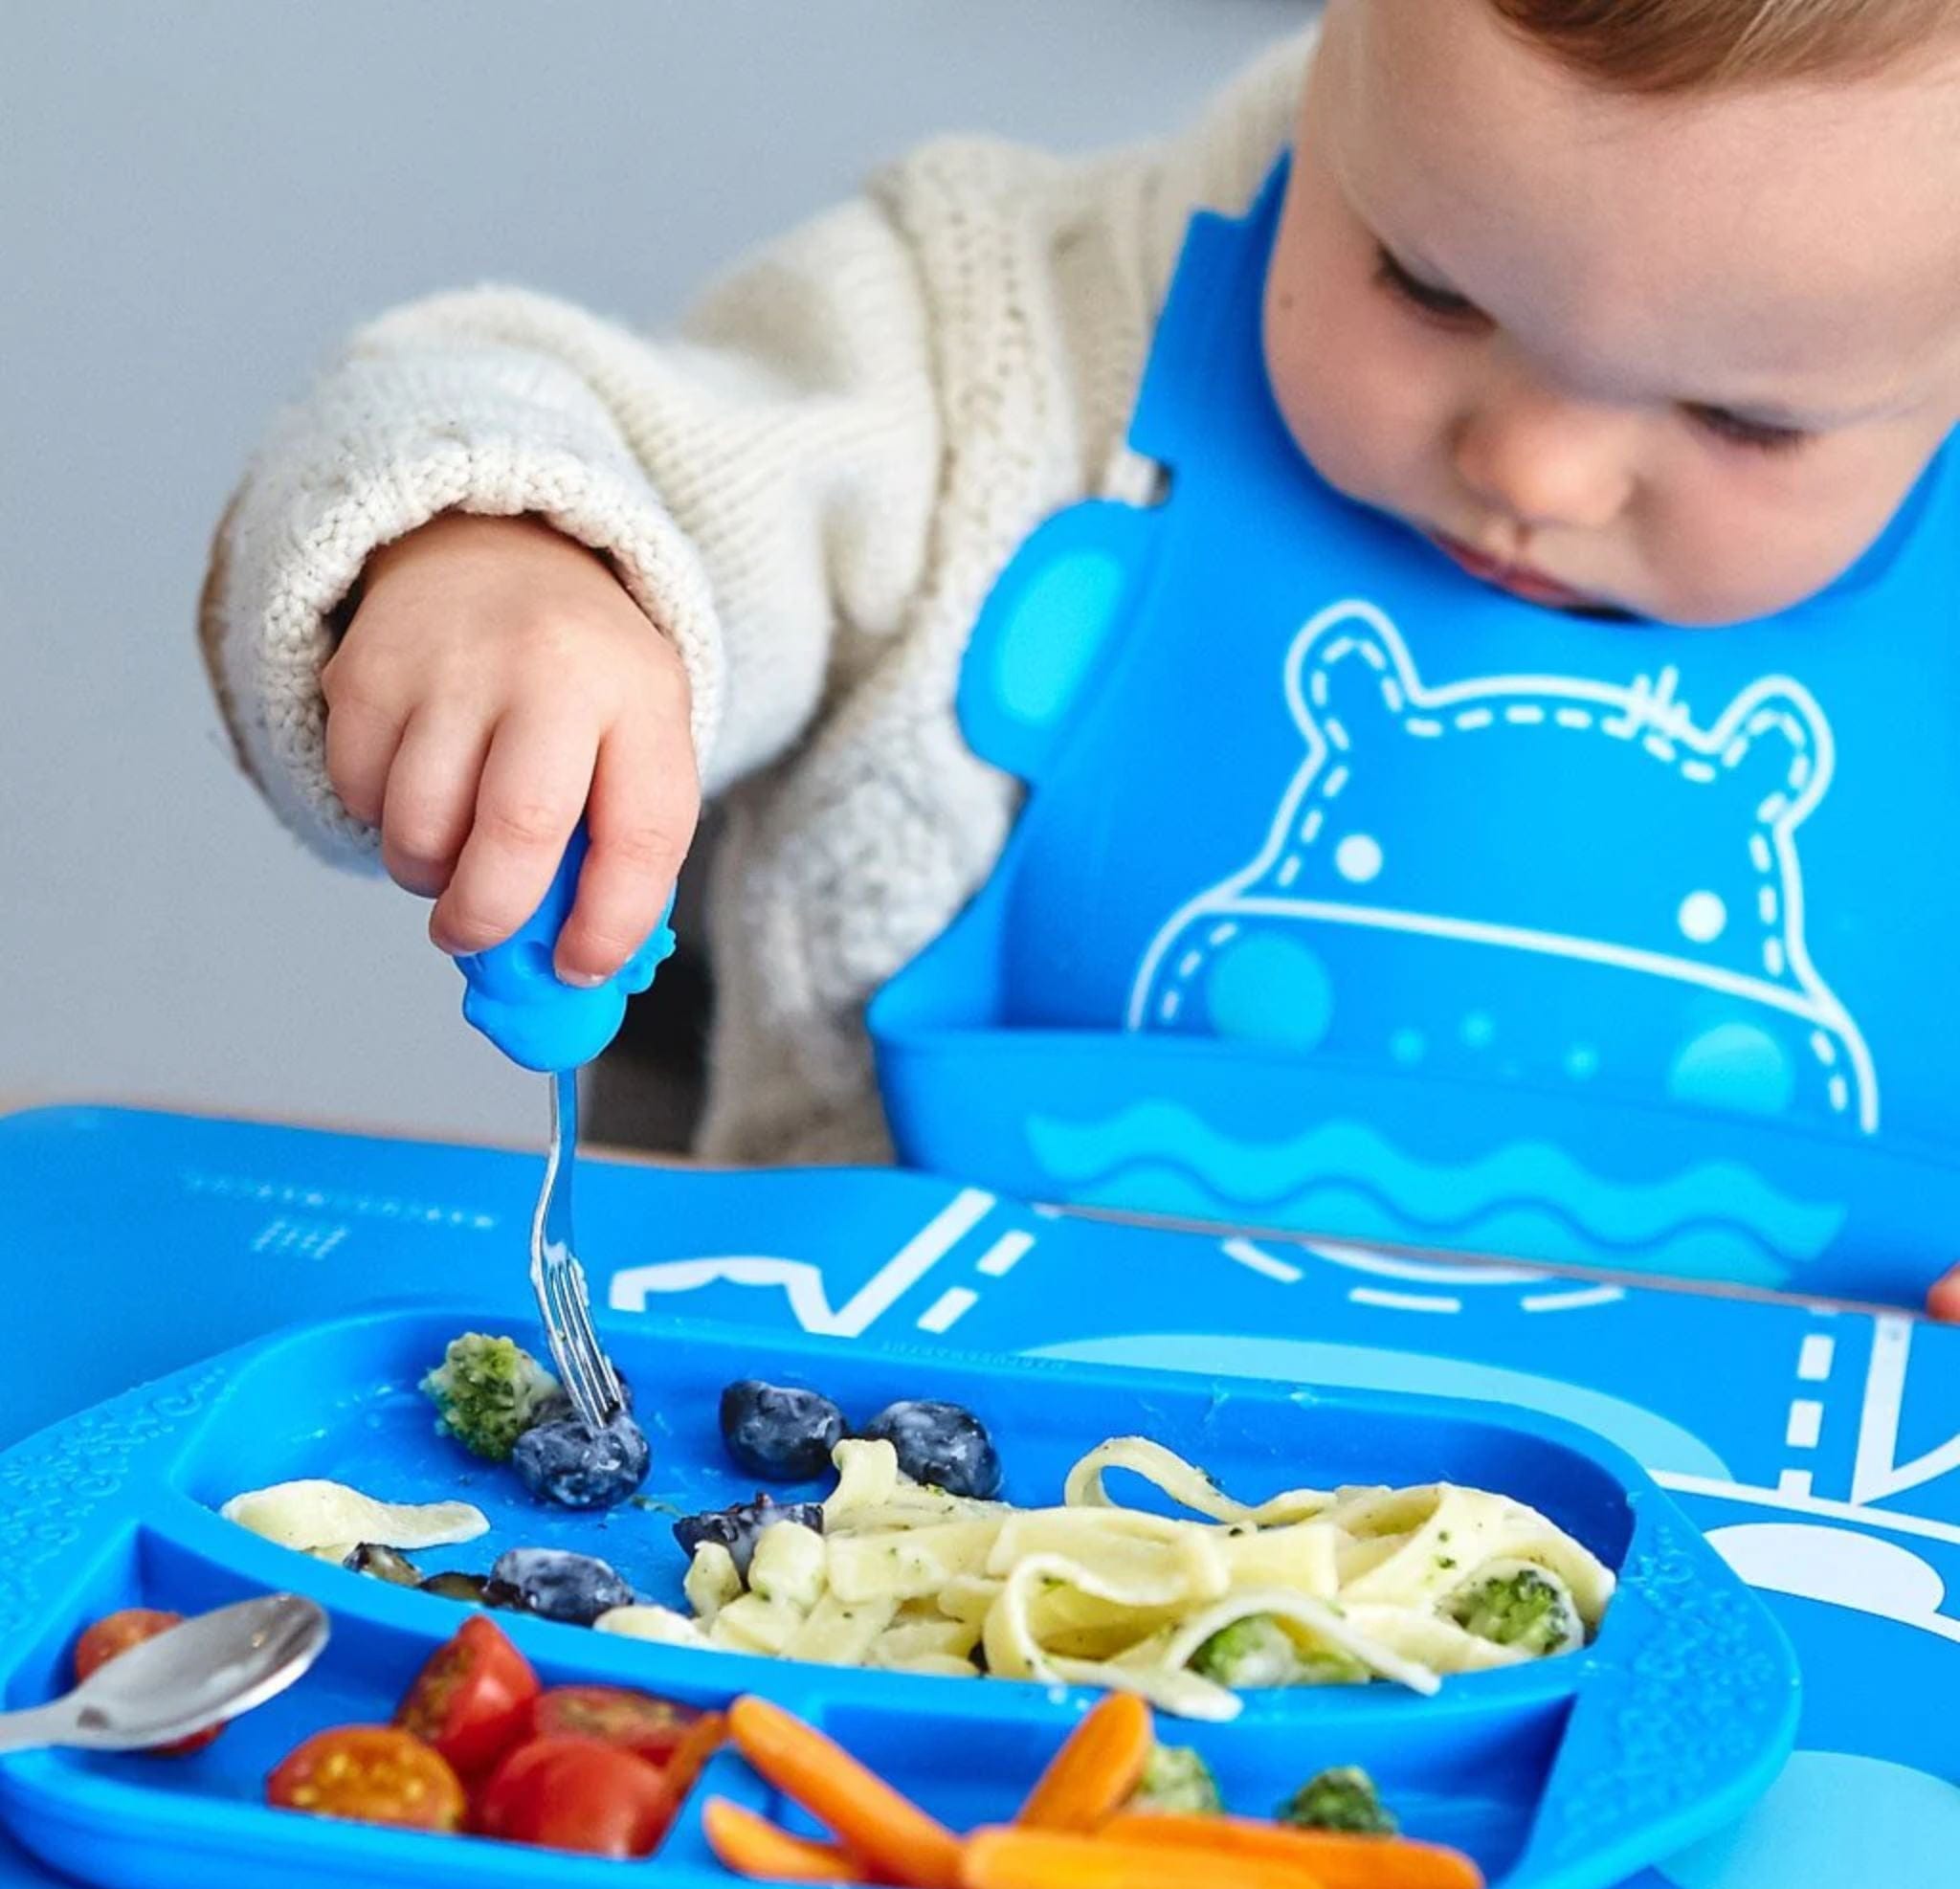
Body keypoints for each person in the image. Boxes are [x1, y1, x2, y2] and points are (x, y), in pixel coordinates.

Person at [198, 0, 1960, 1313]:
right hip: (930, 1541)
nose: (1534, 470)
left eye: (1745, 418)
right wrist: (503, 553)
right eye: (1430, 288)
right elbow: (529, 422)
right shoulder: (1006, 350)